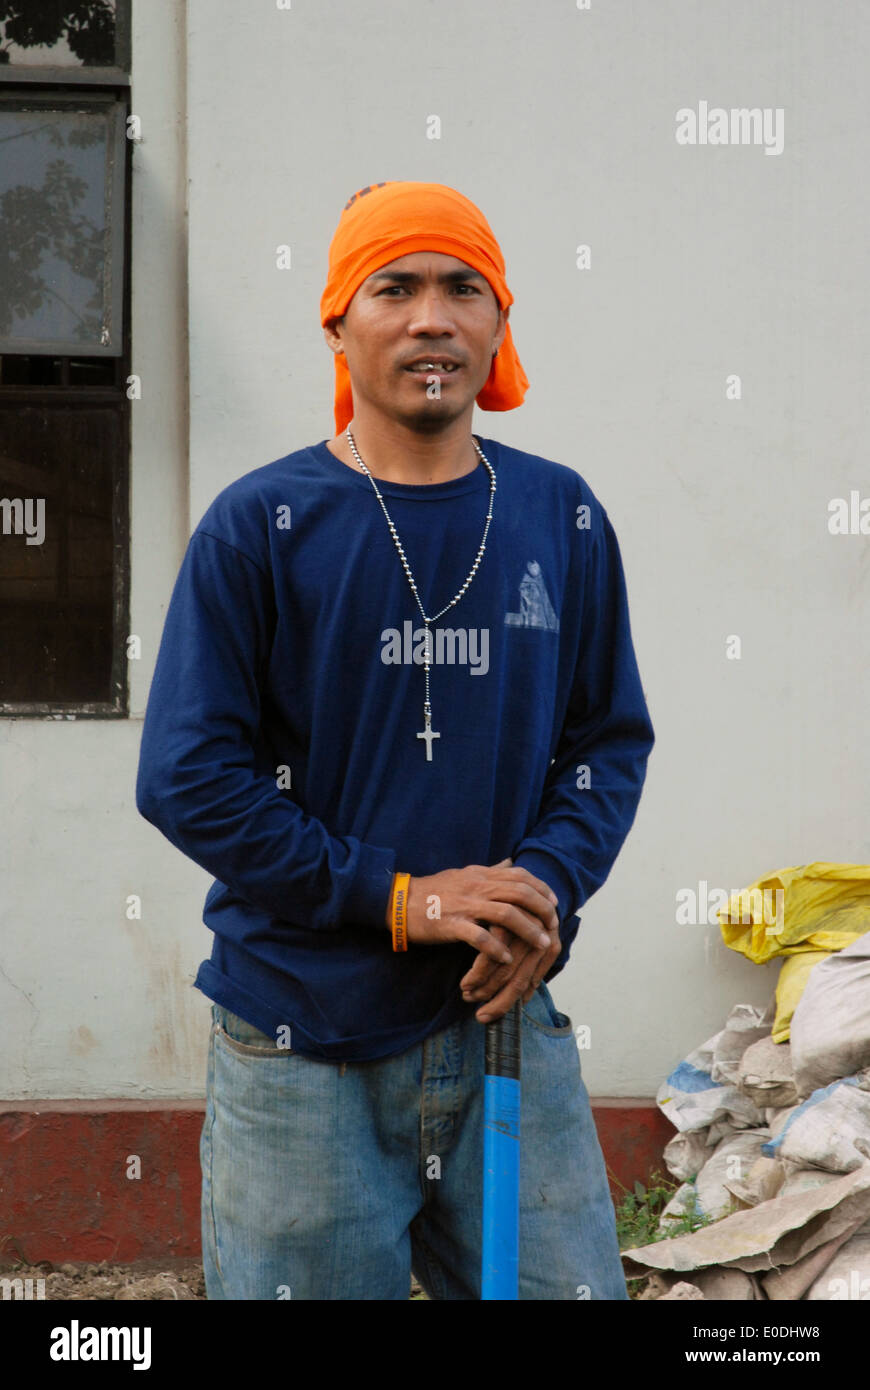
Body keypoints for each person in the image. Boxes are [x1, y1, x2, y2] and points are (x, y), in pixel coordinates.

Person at [135, 180, 655, 1300]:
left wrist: (542, 889)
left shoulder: (558, 517)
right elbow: (187, 775)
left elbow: (607, 743)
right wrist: (399, 897)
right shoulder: (261, 526)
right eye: (397, 286)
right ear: (339, 321)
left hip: (505, 1028)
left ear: (499, 324)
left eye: (464, 288)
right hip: (301, 1046)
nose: (432, 317)